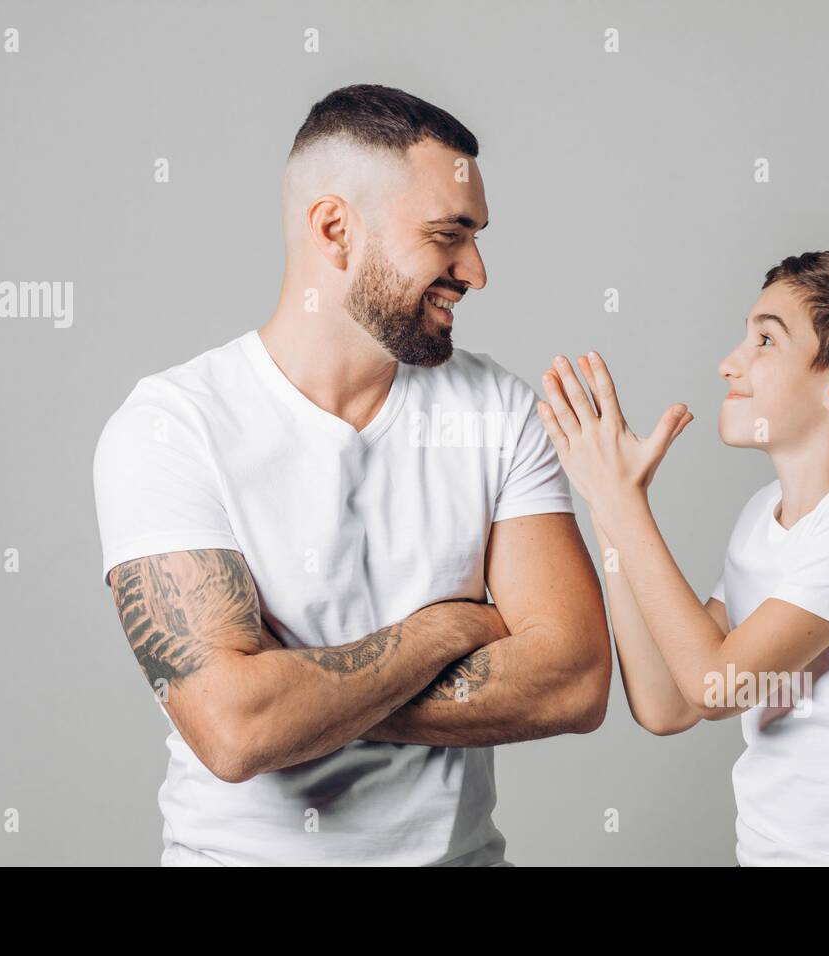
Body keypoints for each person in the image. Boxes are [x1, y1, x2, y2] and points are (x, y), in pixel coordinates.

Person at [92, 84, 611, 866]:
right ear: (335, 229)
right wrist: (447, 627)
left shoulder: (498, 411)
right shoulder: (173, 426)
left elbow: (573, 681)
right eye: (448, 235)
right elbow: (234, 732)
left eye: (477, 237)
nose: (475, 270)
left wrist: (294, 690)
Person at [538, 251, 829, 865]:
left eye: (766, 340)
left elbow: (716, 687)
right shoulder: (761, 515)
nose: (730, 364)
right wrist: (610, 507)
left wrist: (622, 501)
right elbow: (669, 704)